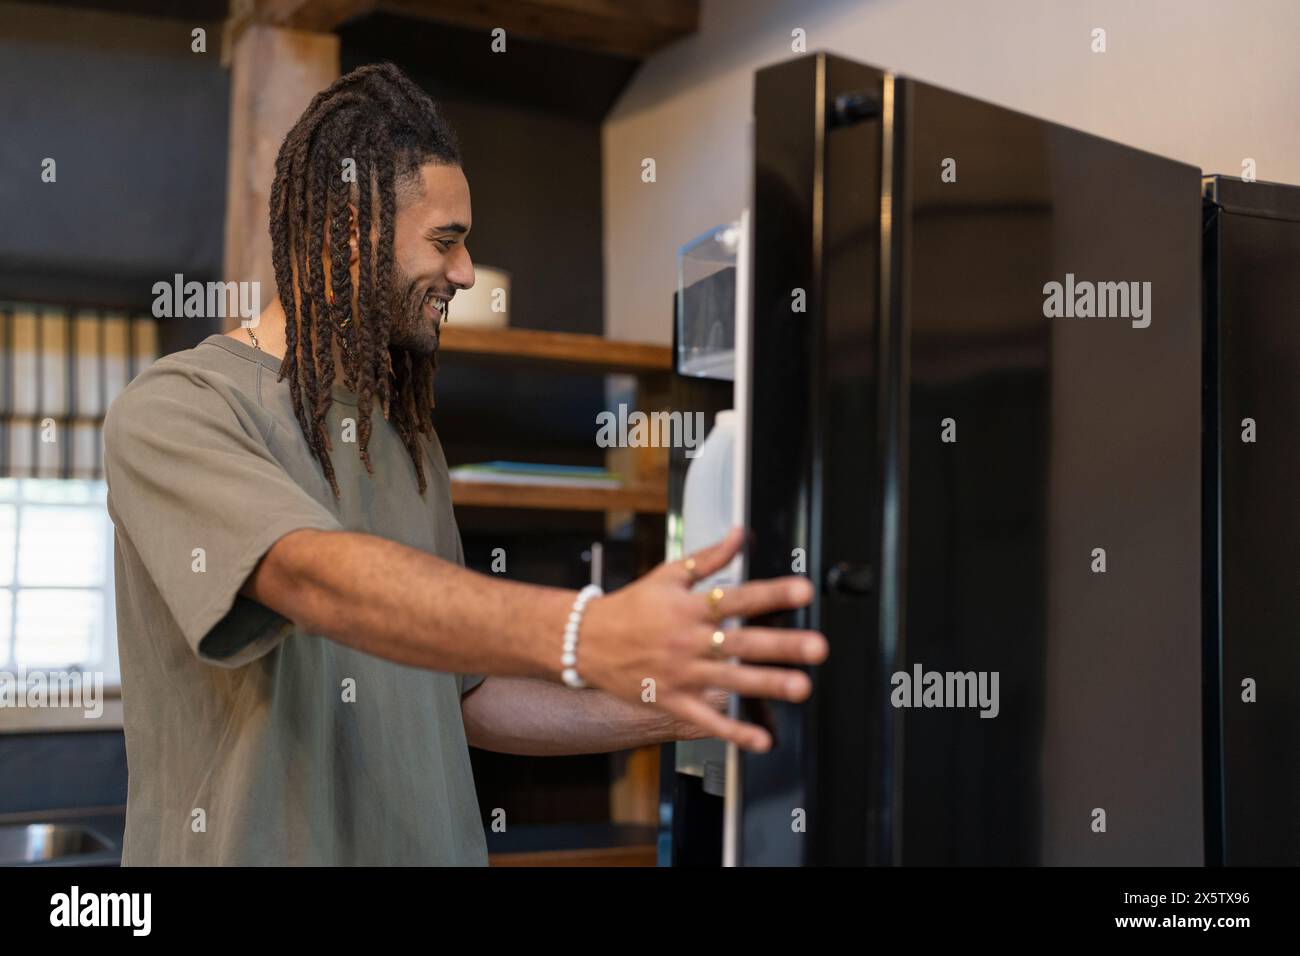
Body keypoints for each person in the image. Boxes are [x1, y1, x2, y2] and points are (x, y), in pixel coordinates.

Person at [103, 62, 827, 866]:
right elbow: (307, 578)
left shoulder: (409, 440)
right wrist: (585, 629)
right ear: (352, 231)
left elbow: (468, 696)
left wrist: (693, 701)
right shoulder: (178, 409)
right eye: (445, 241)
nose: (466, 271)